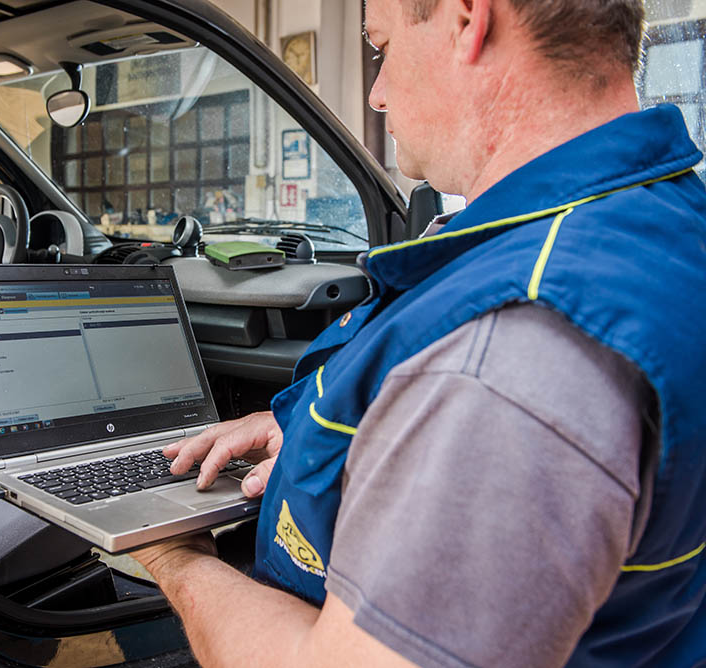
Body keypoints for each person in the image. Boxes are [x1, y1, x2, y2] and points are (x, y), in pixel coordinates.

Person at [132, 0, 706, 665]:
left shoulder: (507, 354)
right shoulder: (659, 224)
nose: (376, 94)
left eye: (382, 47)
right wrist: (336, 435)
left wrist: (173, 556)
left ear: (467, 20)